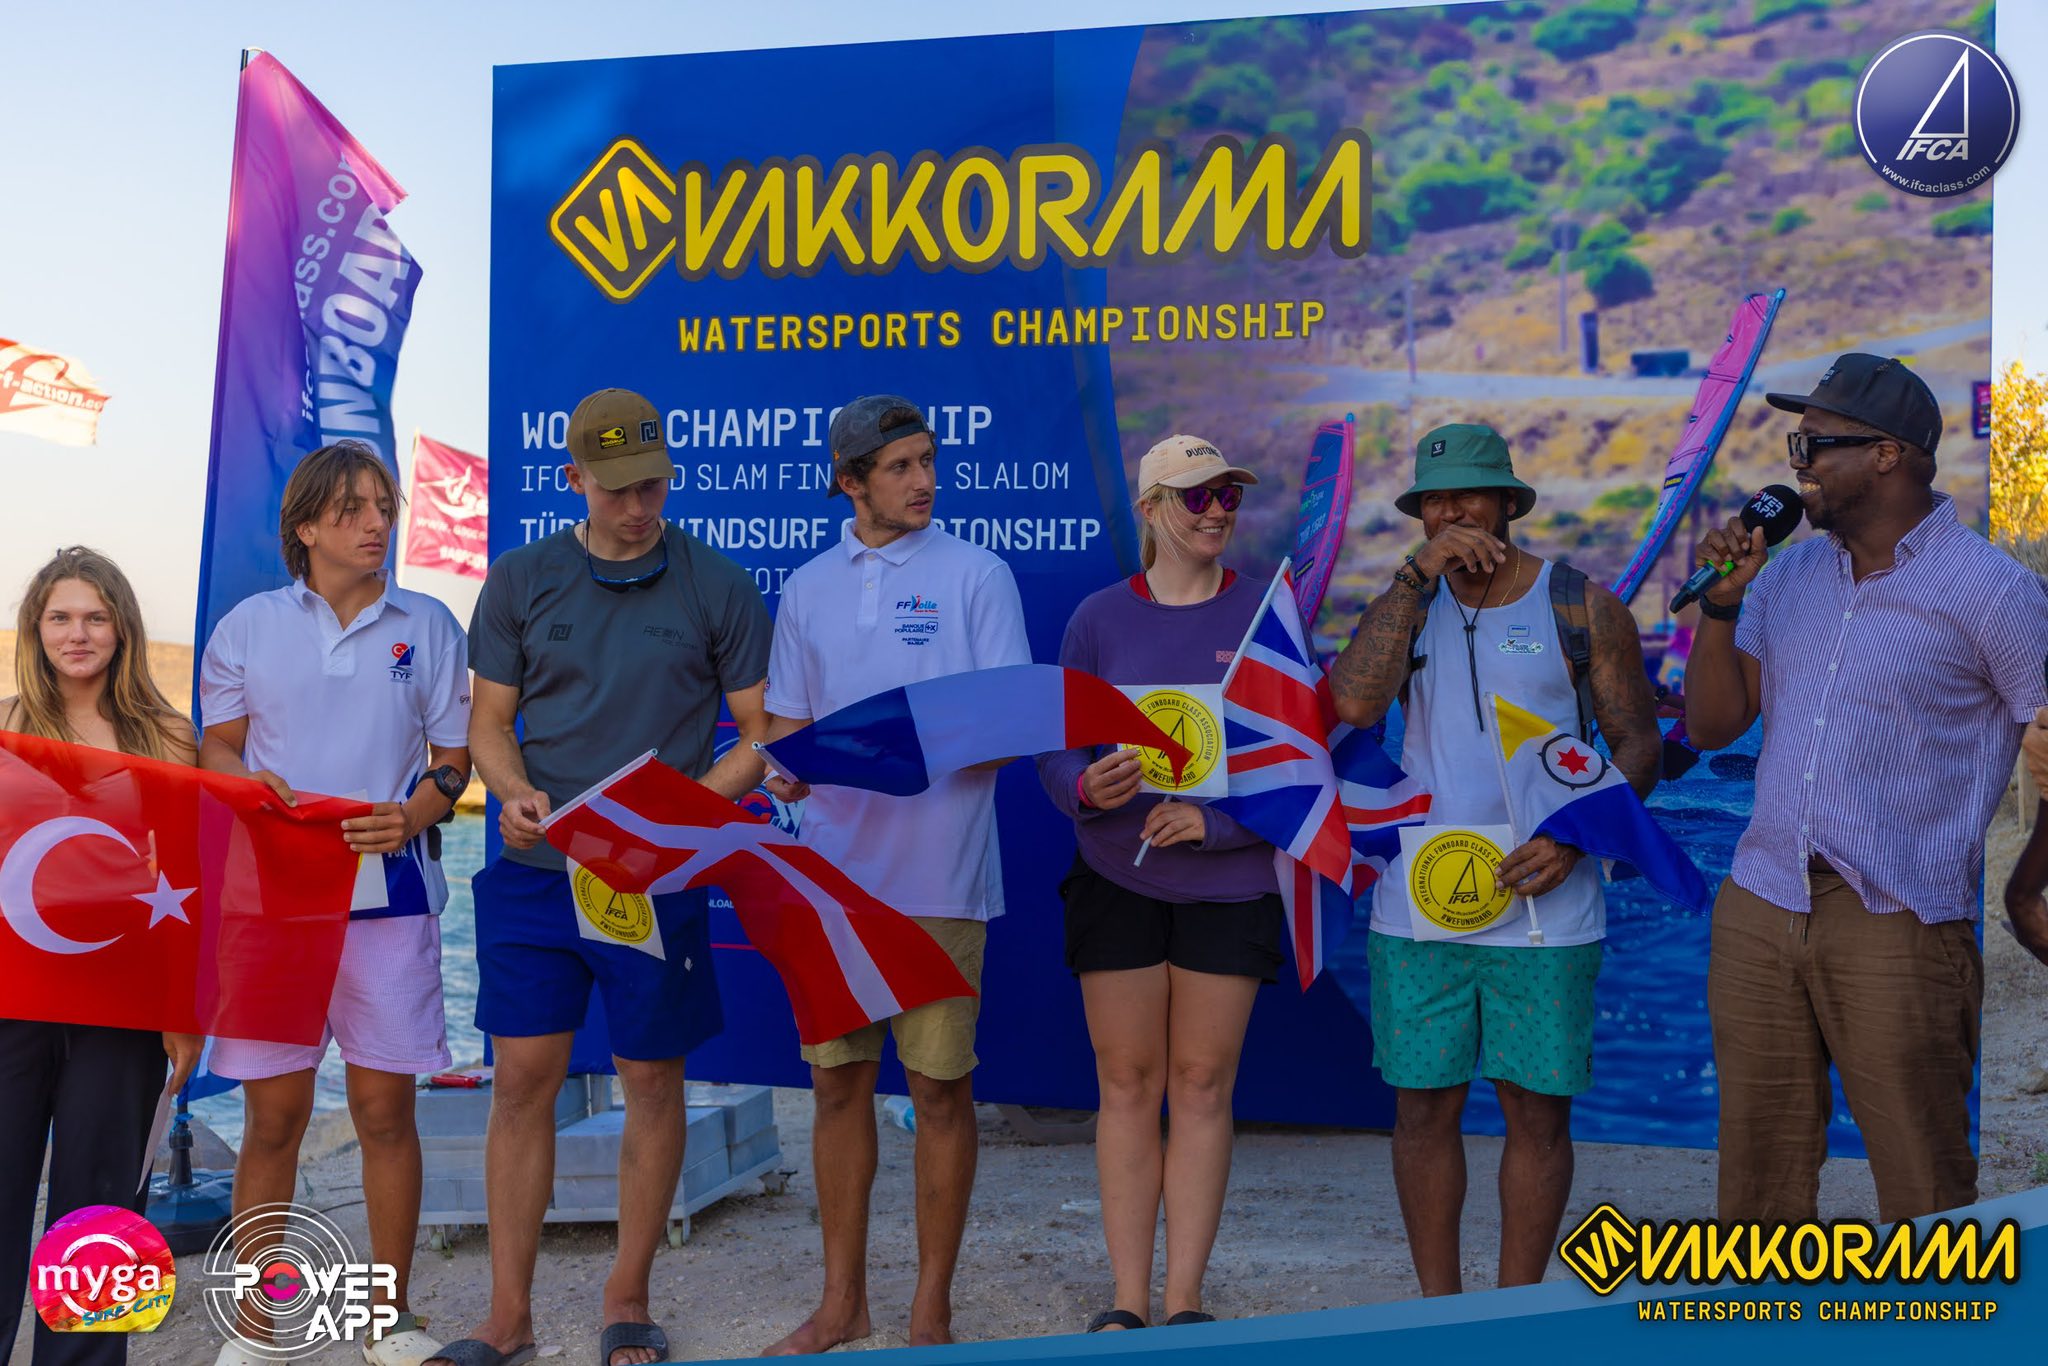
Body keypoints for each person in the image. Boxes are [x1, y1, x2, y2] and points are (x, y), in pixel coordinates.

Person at [444, 389, 772, 1366]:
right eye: (619, 489)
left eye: (655, 487)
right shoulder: (520, 579)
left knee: (650, 1080)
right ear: (572, 480)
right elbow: (489, 725)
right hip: (538, 873)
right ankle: (508, 1316)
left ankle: (626, 1299)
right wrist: (511, 792)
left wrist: (681, 818)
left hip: (651, 877)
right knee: (522, 1083)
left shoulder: (716, 583)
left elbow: (755, 738)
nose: (640, 507)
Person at [1685, 353, 2048, 1223]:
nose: (1797, 464)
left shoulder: (1993, 592)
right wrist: (1721, 606)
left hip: (1899, 920)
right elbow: (1711, 727)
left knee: (1922, 1189)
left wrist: (2027, 881)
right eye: (1796, 441)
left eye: (1815, 442)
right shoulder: (1789, 577)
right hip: (1761, 902)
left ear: (1888, 455)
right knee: (1757, 1186)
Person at [1326, 424, 1660, 1295]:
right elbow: (1355, 707)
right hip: (1419, 904)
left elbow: (1636, 743)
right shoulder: (1408, 600)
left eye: (1472, 495)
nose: (1453, 513)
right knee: (1422, 1112)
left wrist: (1576, 836)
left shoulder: (1578, 605)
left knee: (1537, 1118)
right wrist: (1414, 576)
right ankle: (1441, 1317)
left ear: (1509, 504)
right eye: (1436, 500)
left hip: (1549, 907)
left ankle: (1515, 1316)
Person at [759, 395, 1030, 1353]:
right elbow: (786, 725)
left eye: (928, 461)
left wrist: (900, 750)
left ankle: (931, 1311)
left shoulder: (978, 574)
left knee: (940, 1093)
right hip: (831, 887)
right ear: (850, 483)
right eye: (901, 466)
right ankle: (843, 1304)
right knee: (837, 1090)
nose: (923, 481)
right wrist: (791, 762)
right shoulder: (806, 586)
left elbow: (1006, 725)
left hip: (939, 881)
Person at [198, 443, 471, 1366]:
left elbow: (454, 758)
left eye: (384, 506)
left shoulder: (430, 623)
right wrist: (249, 782)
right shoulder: (247, 626)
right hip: (273, 906)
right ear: (306, 527)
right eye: (353, 509)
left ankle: (384, 1326)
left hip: (390, 905)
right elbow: (218, 750)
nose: (376, 523)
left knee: (385, 1117)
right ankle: (258, 1332)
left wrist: (414, 814)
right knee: (273, 1121)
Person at [1035, 435, 1281, 1330]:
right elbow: (1057, 749)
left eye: (1227, 497)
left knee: (1204, 1083)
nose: (1217, 512)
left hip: (1232, 885)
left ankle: (1184, 1305)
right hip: (1117, 876)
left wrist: (1215, 824)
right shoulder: (1098, 619)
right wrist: (1082, 786)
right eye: (1196, 497)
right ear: (1149, 512)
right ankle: (1127, 1304)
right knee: (1130, 1083)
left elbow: (1301, 772)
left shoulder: (1266, 617)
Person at [0, 548, 204, 1366]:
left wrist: (184, 1012)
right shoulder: (8, 727)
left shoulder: (167, 736)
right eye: (59, 617)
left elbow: (188, 882)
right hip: (11, 999)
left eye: (94, 616)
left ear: (120, 625)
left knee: (97, 1216)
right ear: (35, 628)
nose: (76, 633)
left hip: (120, 1007)